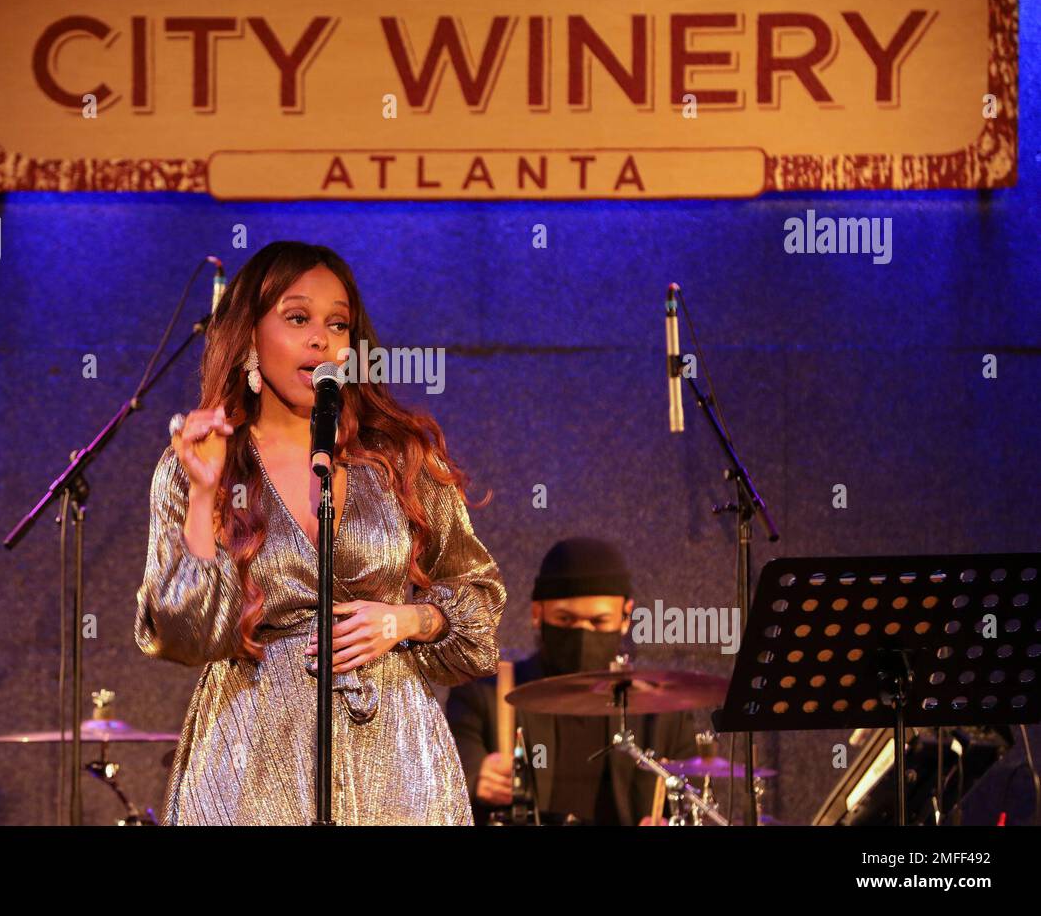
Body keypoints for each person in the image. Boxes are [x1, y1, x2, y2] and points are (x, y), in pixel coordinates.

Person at [135, 240, 506, 825]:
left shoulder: (399, 459)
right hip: (252, 755)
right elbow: (182, 633)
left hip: (393, 757)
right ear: (249, 336)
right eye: (297, 317)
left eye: (338, 324)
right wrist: (204, 491)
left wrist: (410, 619)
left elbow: (481, 610)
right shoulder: (206, 459)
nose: (322, 339)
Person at [445, 537, 697, 825]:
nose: (582, 635)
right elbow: (447, 769)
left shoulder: (664, 714)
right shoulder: (483, 694)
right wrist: (476, 776)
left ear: (626, 617)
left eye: (598, 622)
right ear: (537, 614)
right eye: (565, 620)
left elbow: (693, 801)